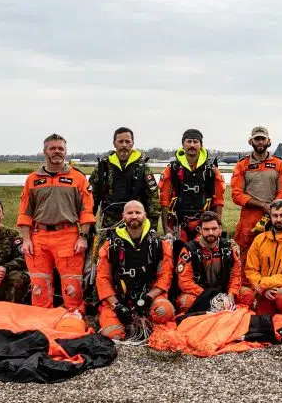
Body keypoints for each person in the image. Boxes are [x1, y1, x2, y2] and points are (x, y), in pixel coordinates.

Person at [16, 134, 96, 311]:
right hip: (39, 237)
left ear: (66, 152)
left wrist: (83, 237)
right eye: (52, 148)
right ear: (45, 151)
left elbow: (86, 212)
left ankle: (73, 325)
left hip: (68, 236)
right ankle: (43, 326)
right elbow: (24, 213)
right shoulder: (33, 179)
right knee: (39, 288)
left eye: (60, 148)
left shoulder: (78, 178)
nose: (57, 152)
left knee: (72, 288)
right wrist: (26, 239)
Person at [93, 201, 176, 339]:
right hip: (119, 298)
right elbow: (102, 279)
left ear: (145, 215)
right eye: (130, 213)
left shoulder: (158, 244)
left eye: (138, 212)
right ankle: (109, 316)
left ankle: (144, 318)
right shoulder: (110, 245)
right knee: (113, 335)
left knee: (164, 312)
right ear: (123, 216)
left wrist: (149, 297)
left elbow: (165, 276)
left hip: (148, 295)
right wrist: (117, 306)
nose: (134, 216)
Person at [238, 200, 282, 315]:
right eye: (275, 215)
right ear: (270, 216)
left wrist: (264, 283)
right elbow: (251, 270)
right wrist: (263, 290)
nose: (279, 219)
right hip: (265, 291)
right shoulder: (259, 240)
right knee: (263, 318)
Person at [230, 126, 282, 251]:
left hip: (274, 220)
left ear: (269, 141)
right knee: (247, 261)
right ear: (251, 141)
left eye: (263, 138)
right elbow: (236, 195)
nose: (260, 142)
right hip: (249, 223)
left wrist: (273, 209)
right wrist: (262, 205)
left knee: (275, 257)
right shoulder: (242, 165)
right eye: (257, 139)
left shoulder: (279, 165)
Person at [160, 129, 226, 242]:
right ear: (183, 144)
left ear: (201, 145)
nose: (192, 145)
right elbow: (164, 200)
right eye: (188, 141)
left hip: (205, 223)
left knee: (204, 255)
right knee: (177, 255)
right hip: (178, 224)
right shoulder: (172, 170)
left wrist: (218, 225)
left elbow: (219, 200)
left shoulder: (211, 170)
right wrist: (166, 227)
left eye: (195, 142)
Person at [89, 126, 160, 232]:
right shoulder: (103, 167)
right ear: (114, 143)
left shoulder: (143, 168)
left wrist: (152, 228)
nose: (124, 145)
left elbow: (153, 199)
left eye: (127, 141)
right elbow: (91, 198)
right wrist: (89, 225)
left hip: (136, 224)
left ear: (132, 143)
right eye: (120, 141)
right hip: (109, 225)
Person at [174, 212, 243, 314]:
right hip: (198, 293)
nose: (210, 232)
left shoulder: (228, 248)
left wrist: (231, 294)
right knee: (187, 303)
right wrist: (210, 296)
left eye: (214, 229)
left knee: (247, 295)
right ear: (200, 230)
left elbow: (235, 275)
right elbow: (184, 281)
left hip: (223, 292)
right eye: (206, 229)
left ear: (220, 229)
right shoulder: (189, 250)